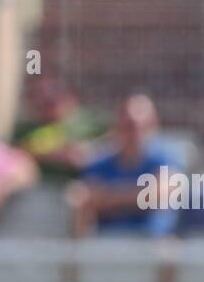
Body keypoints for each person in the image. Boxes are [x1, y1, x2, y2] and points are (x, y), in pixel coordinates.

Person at [66, 95, 182, 238]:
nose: (134, 133)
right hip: (107, 245)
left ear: (153, 126)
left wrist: (106, 198)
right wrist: (139, 196)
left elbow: (162, 194)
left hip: (153, 245)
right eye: (128, 126)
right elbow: (82, 197)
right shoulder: (101, 163)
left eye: (141, 126)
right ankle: (78, 257)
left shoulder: (165, 157)